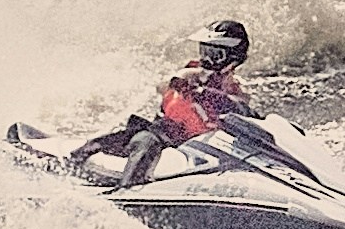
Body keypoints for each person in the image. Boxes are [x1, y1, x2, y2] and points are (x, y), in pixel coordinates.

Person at [71, 18, 256, 188]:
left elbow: (242, 108)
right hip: (163, 133)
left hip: (197, 146)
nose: (205, 59)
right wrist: (187, 84)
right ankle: (126, 190)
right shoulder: (191, 74)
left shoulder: (235, 90)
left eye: (215, 54)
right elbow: (167, 83)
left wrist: (212, 96)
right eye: (204, 51)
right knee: (146, 142)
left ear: (234, 58)